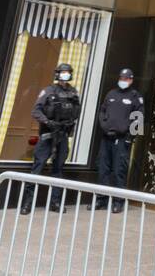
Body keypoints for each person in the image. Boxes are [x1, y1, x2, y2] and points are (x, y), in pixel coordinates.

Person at [20, 63, 81, 214]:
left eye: (67, 72)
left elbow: (76, 112)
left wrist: (67, 124)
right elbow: (36, 111)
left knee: (58, 169)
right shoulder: (48, 91)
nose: (65, 74)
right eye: (63, 72)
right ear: (58, 74)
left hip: (63, 135)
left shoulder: (73, 93)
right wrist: (48, 122)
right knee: (38, 167)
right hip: (48, 135)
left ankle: (55, 202)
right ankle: (27, 203)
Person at [92, 67, 144, 211]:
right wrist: (104, 126)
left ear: (131, 80)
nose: (123, 81)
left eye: (126, 79)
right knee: (103, 169)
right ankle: (101, 200)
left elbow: (139, 118)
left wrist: (130, 138)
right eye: (121, 78)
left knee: (119, 170)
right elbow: (102, 111)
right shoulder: (111, 94)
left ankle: (118, 202)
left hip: (122, 140)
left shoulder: (135, 96)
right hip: (107, 138)